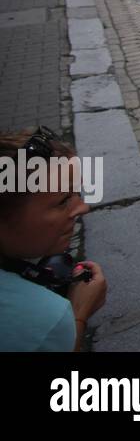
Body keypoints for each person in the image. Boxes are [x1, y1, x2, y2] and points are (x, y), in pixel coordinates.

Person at [0, 128, 108, 351]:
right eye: (63, 201)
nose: (83, 207)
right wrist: (78, 314)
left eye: (77, 193)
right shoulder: (42, 319)